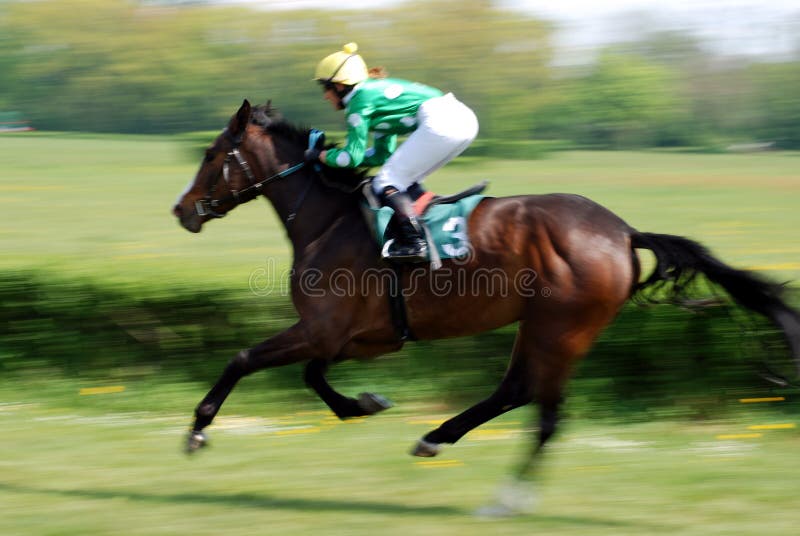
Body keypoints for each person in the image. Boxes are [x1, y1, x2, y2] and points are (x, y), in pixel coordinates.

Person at [307, 42, 479, 263]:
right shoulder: (372, 95)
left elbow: (351, 157)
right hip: (462, 120)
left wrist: (321, 155)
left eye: (325, 88)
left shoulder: (358, 102)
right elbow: (381, 155)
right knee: (400, 180)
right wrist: (334, 157)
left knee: (385, 182)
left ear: (340, 86)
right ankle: (422, 216)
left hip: (443, 123)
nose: (325, 96)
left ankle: (414, 242)